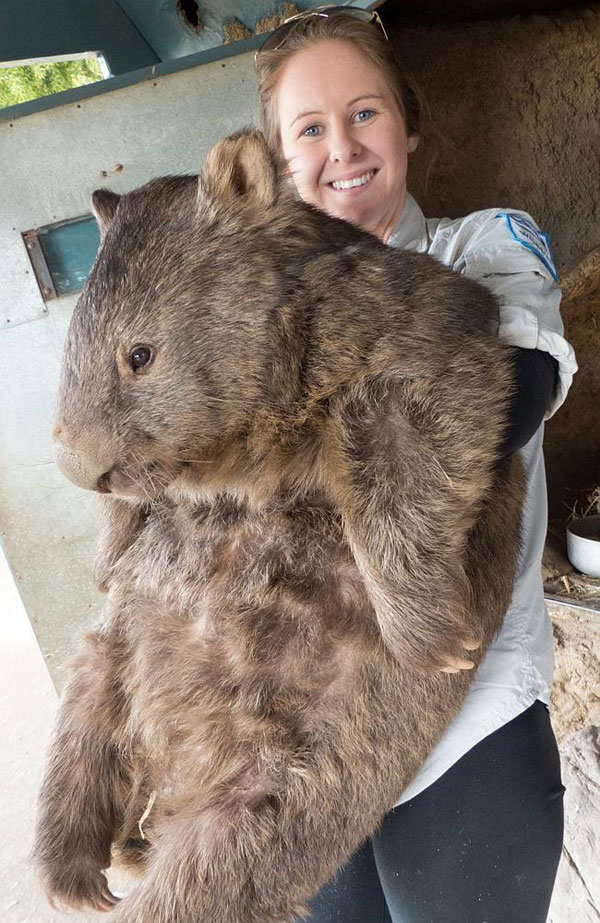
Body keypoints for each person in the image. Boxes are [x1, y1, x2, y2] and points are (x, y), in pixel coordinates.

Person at [254, 7, 577, 923]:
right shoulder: (264, 310)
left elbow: (508, 396)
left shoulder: (486, 246)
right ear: (279, 162)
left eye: (365, 113)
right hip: (309, 751)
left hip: (465, 731)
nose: (342, 146)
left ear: (408, 125)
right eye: (309, 129)